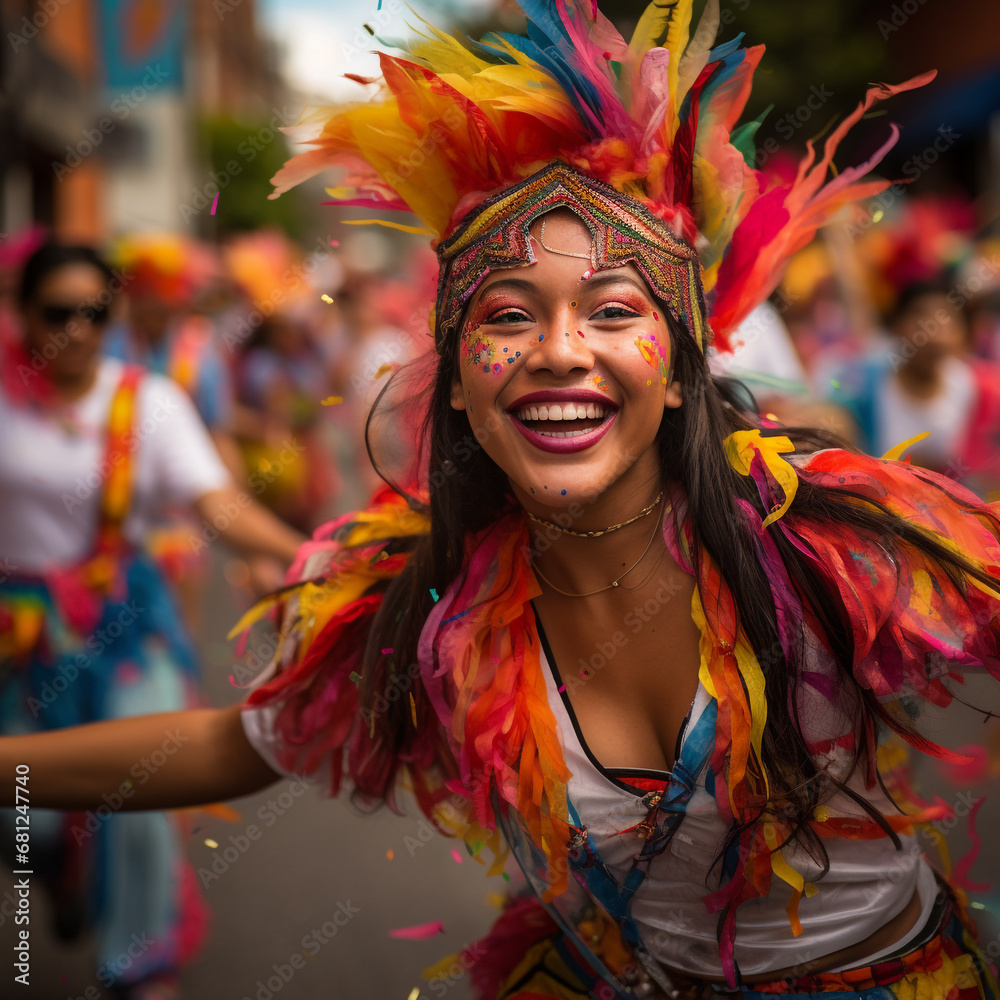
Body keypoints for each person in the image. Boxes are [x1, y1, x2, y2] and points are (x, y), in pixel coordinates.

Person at [3, 4, 999, 999]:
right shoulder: (425, 603)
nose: (559, 351)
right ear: (456, 380)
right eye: (509, 315)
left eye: (613, 311)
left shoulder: (819, 541)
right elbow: (231, 743)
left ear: (682, 369)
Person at [0, 243, 304, 999]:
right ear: (23, 314)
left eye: (95, 312)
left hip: (127, 630)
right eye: (57, 312)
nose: (77, 329)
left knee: (137, 801)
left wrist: (307, 558)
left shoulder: (151, 402)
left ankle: (142, 967)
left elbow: (218, 506)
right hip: (19, 641)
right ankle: (62, 864)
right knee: (22, 812)